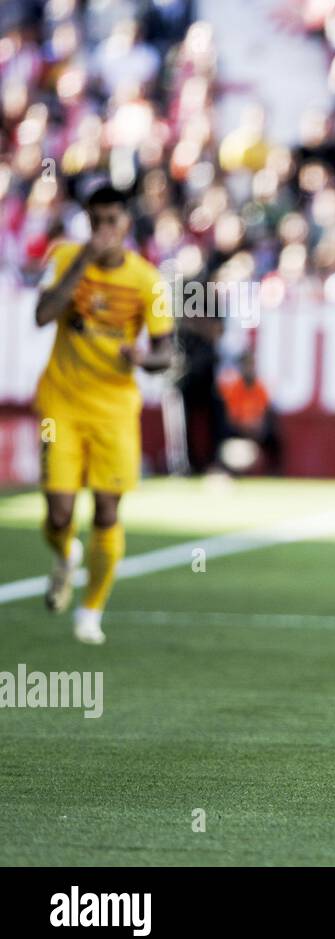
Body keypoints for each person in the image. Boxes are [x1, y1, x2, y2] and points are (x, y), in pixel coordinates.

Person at [33, 185, 175, 644]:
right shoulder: (64, 259)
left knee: (107, 510)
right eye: (96, 221)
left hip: (114, 408)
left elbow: (166, 355)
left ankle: (90, 609)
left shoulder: (147, 281)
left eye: (112, 221)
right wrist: (80, 265)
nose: (104, 230)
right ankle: (64, 555)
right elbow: (41, 314)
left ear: (126, 225)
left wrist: (139, 358)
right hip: (62, 402)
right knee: (58, 513)